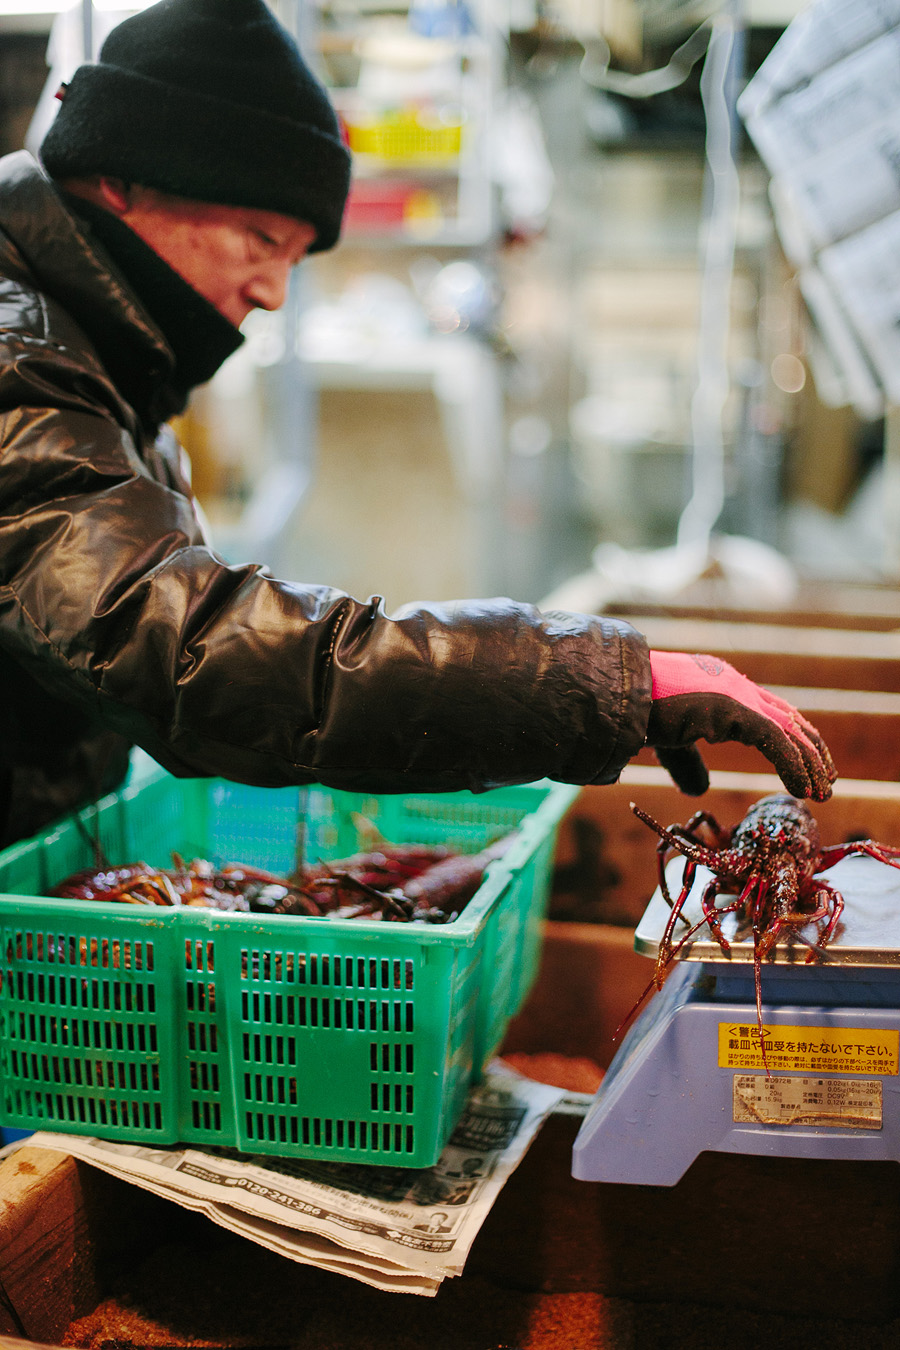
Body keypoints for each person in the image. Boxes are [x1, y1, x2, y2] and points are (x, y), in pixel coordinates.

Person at [0, 0, 835, 850]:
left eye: (294, 258)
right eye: (260, 237)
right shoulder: (17, 359)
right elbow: (184, 646)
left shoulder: (103, 358)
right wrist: (602, 685)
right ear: (125, 178)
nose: (273, 292)